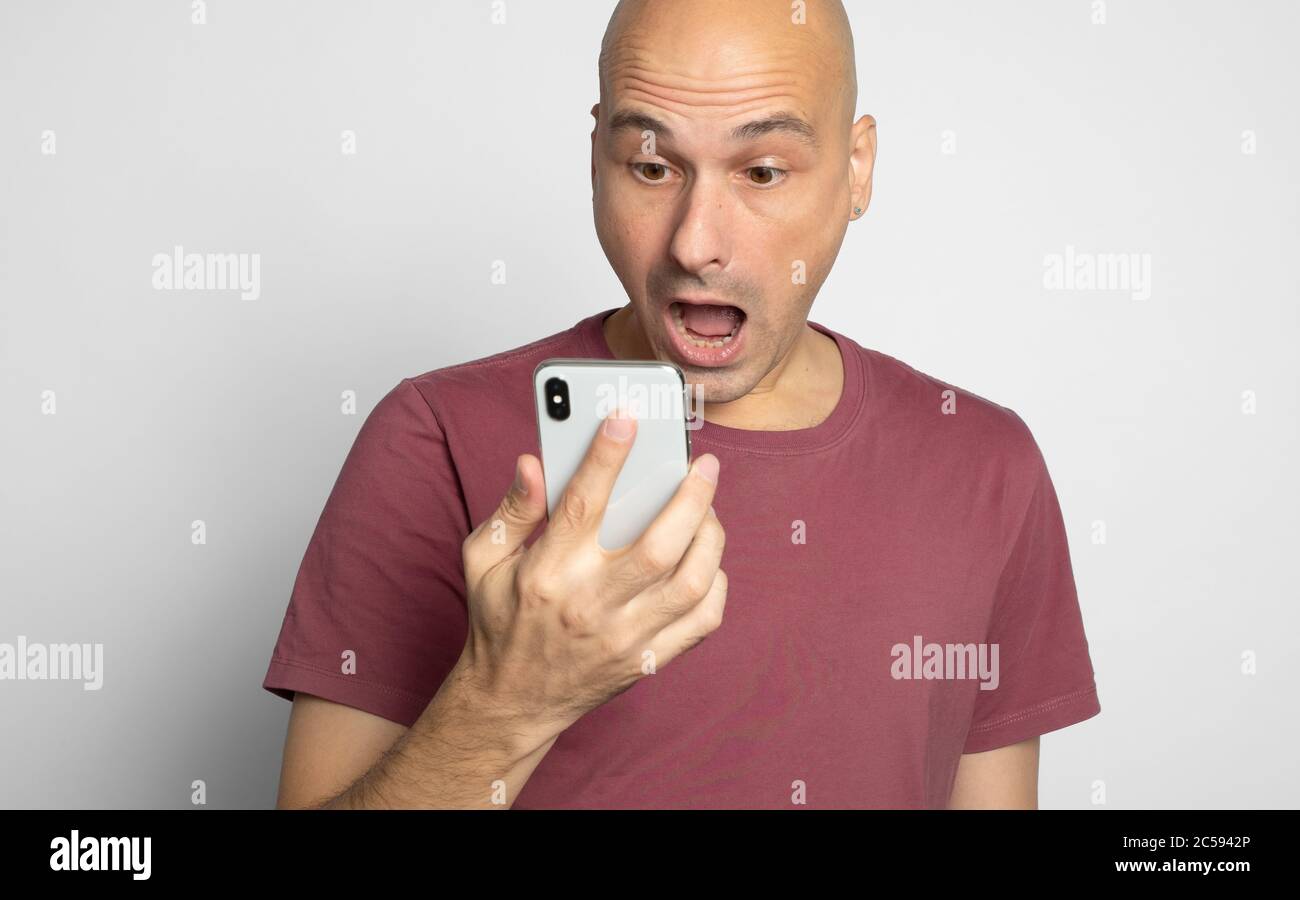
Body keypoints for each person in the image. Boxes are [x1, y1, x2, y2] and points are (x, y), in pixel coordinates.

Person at [263, 0, 1100, 809]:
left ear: (857, 170)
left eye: (763, 171)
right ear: (597, 159)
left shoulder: (985, 464)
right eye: (654, 167)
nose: (697, 243)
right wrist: (510, 699)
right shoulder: (431, 439)